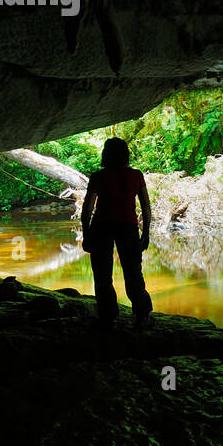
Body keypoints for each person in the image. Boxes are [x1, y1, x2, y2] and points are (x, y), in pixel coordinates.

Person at [80, 137, 153, 328]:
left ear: (105, 155)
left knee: (102, 275)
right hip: (128, 227)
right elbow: (145, 207)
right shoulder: (136, 175)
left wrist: (86, 233)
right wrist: (146, 233)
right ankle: (142, 313)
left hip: (101, 226)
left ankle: (108, 315)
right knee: (133, 272)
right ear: (125, 155)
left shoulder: (98, 176)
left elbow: (87, 208)